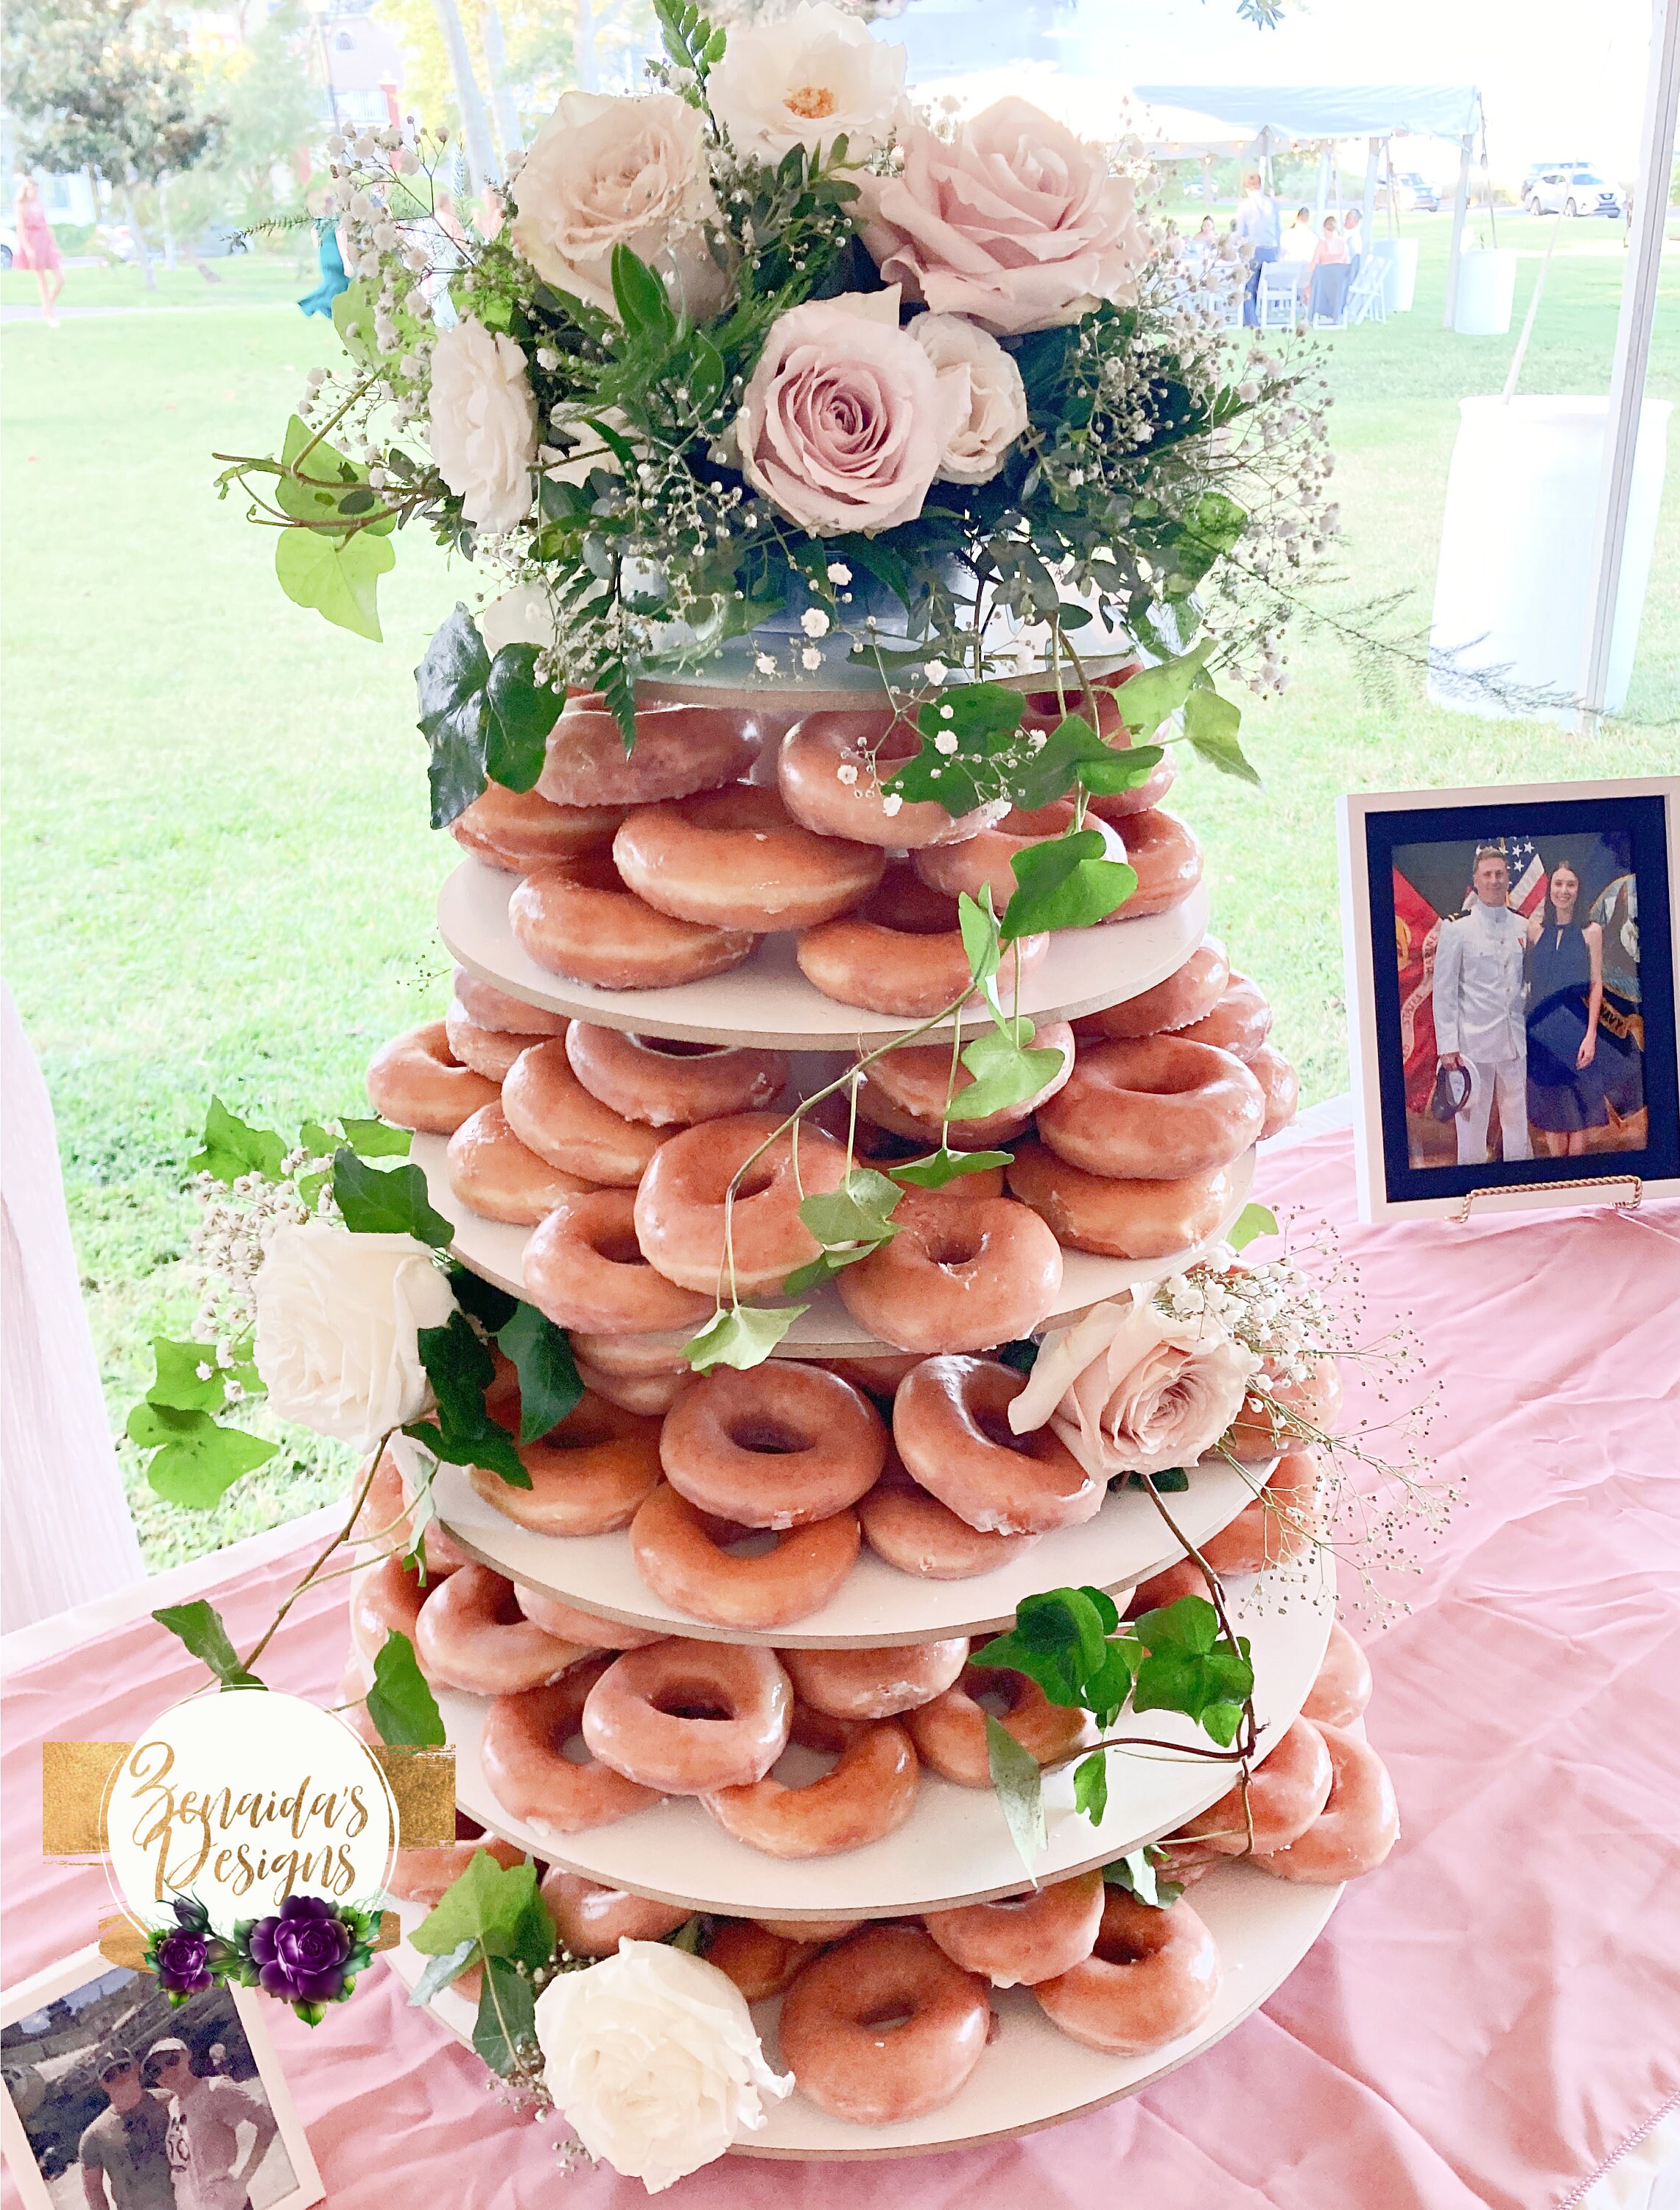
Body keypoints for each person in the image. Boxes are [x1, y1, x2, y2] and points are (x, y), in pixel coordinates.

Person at [1432, 847, 1533, 1166]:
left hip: (1513, 1039)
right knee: (1473, 1125)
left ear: (1508, 879)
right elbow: (1444, 991)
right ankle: (1471, 1188)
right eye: (1487, 875)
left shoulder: (1523, 926)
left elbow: (1527, 983)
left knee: (1517, 1119)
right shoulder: (1457, 929)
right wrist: (1447, 1046)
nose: (1493, 881)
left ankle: (1520, 1186)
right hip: (1472, 1045)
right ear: (1475, 880)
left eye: (1499, 874)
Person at [1524, 858, 1606, 1157]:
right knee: (1551, 1109)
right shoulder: (1534, 930)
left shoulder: (1591, 932)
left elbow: (1597, 983)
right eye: (1558, 884)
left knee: (1580, 1109)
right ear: (1549, 889)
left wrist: (1591, 1035)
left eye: (1570, 884)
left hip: (1577, 1031)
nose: (1564, 890)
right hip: (1542, 1033)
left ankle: (1576, 1177)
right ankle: (1558, 1176)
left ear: (1578, 889)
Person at [145, 2040, 278, 2210]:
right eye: (156, 2070)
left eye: (171, 2061)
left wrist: (243, 2180)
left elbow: (268, 2122)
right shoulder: (173, 2108)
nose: (166, 2072)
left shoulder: (215, 2089)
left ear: (187, 2056)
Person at [78, 2049, 174, 2210]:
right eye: (110, 2076)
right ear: (103, 2085)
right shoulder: (94, 2136)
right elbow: (93, 2190)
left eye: (124, 2068)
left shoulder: (169, 2101)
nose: (120, 2077)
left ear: (136, 2067)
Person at [13, 177, 65, 327]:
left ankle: (47, 306)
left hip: (45, 242)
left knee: (61, 279)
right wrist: (28, 249)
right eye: (31, 189)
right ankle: (49, 313)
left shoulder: (39, 204)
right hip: (33, 242)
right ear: (26, 190)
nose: (34, 192)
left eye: (36, 189)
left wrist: (54, 246)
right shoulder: (21, 206)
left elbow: (46, 226)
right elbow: (21, 230)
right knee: (42, 279)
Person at [298, 186, 349, 319]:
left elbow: (316, 243)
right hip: (336, 256)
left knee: (333, 284)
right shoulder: (335, 222)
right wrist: (346, 260)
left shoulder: (317, 223)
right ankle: (310, 303)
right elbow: (340, 238)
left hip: (325, 257)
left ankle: (329, 309)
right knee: (341, 284)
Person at [1235, 172, 1279, 325]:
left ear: (1247, 188)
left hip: (1254, 250)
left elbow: (1240, 232)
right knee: (1266, 286)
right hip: (1271, 250)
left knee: (1249, 286)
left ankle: (1251, 321)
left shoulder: (1245, 206)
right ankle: (1267, 316)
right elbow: (1278, 229)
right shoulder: (1272, 204)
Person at [1343, 205, 1364, 276]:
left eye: (1348, 218)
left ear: (1356, 221)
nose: (1345, 220)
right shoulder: (1347, 233)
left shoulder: (1354, 238)